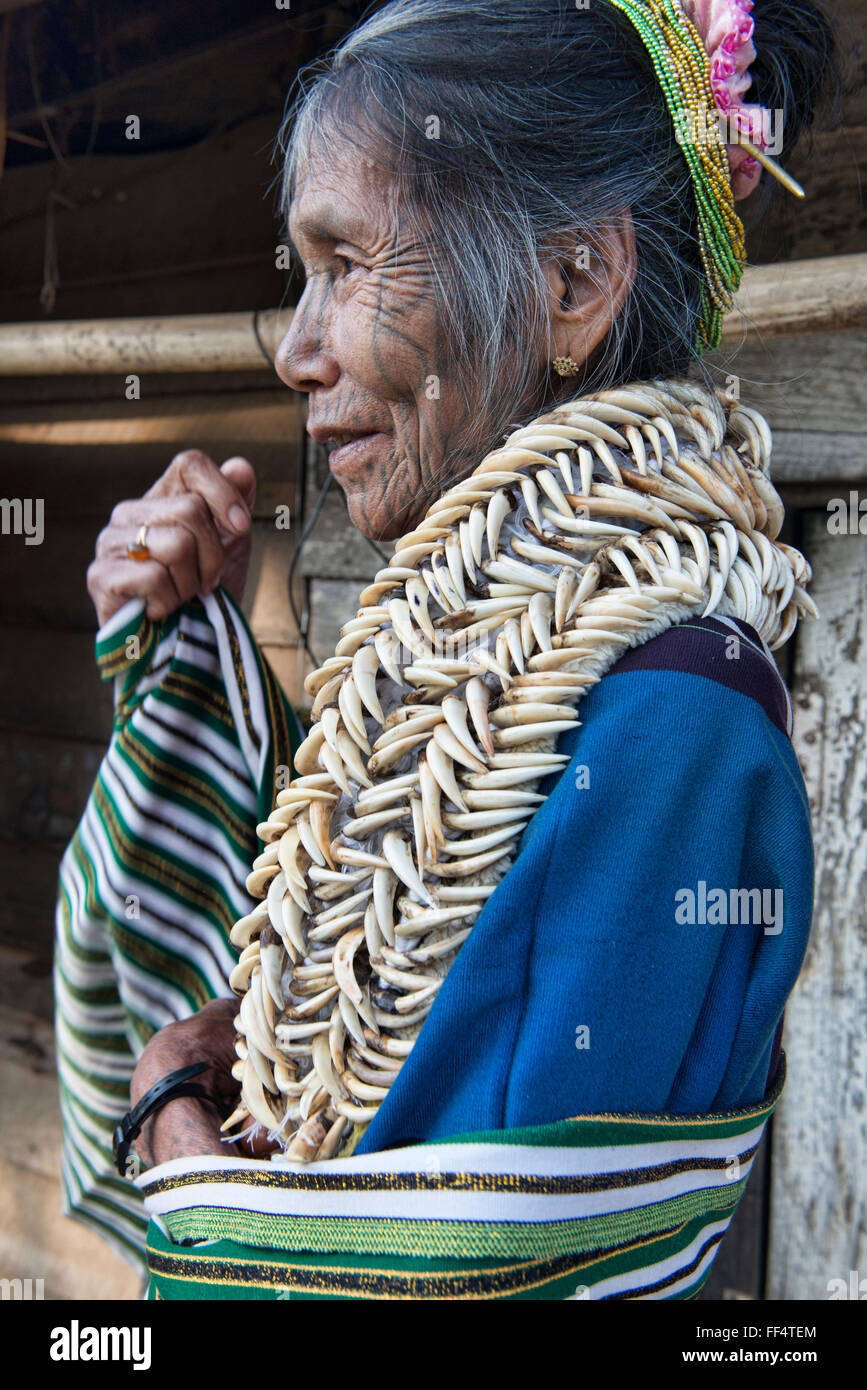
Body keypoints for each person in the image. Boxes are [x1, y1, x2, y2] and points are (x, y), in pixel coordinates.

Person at [56, 0, 837, 1294]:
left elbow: (430, 1270)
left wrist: (176, 1129)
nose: (298, 350)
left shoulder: (669, 730)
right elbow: (373, 1013)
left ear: (574, 281)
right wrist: (183, 648)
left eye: (345, 264)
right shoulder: (484, 671)